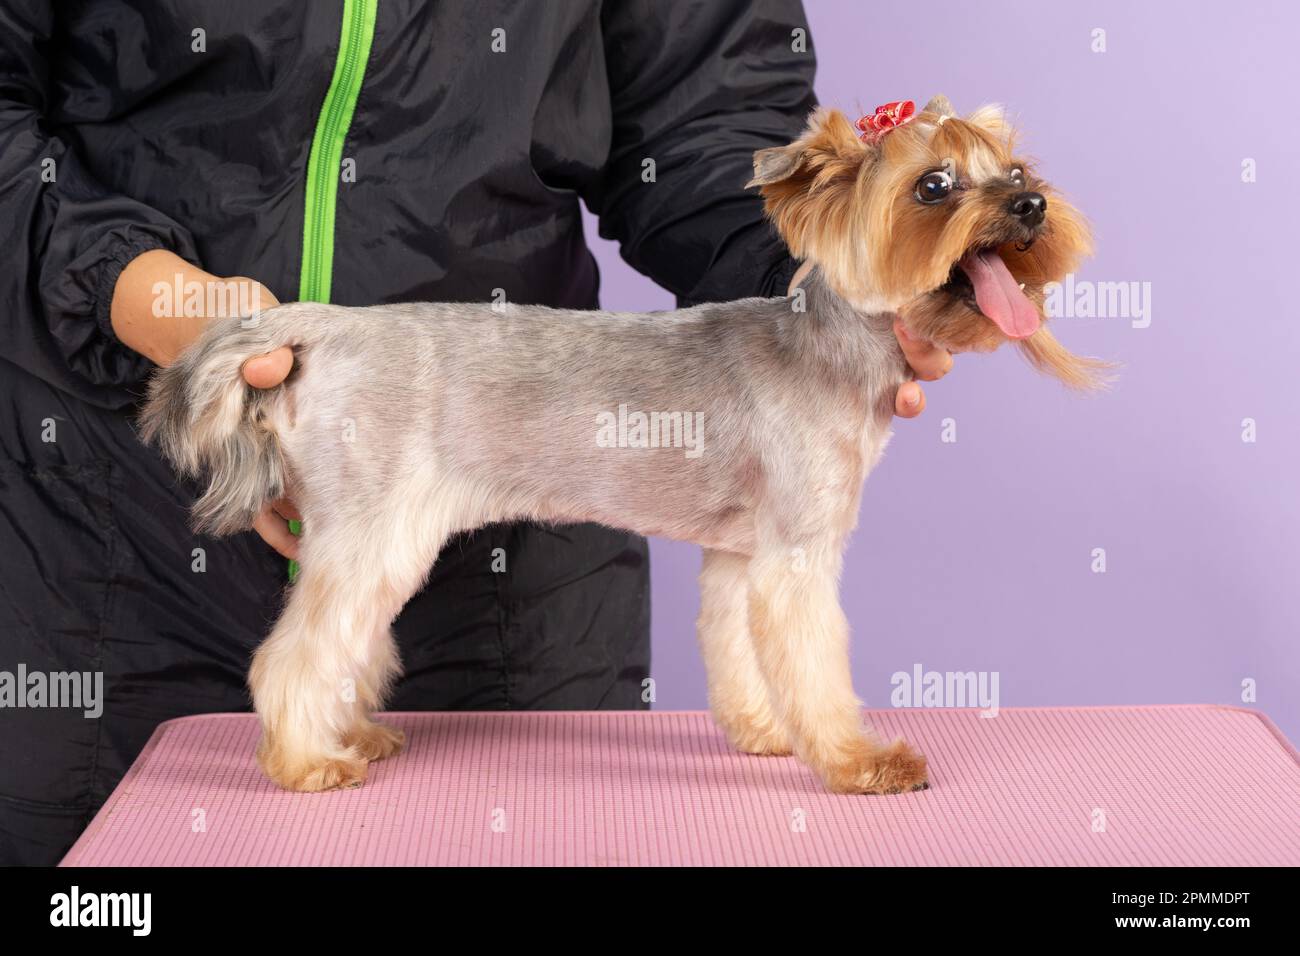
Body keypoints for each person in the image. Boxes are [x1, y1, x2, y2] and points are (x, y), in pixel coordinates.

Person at [0, 0, 951, 864]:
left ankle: (748, 713)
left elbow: (707, 116)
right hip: (101, 551)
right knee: (372, 554)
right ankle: (301, 715)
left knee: (384, 566)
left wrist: (782, 270)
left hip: (521, 620)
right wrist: (129, 286)